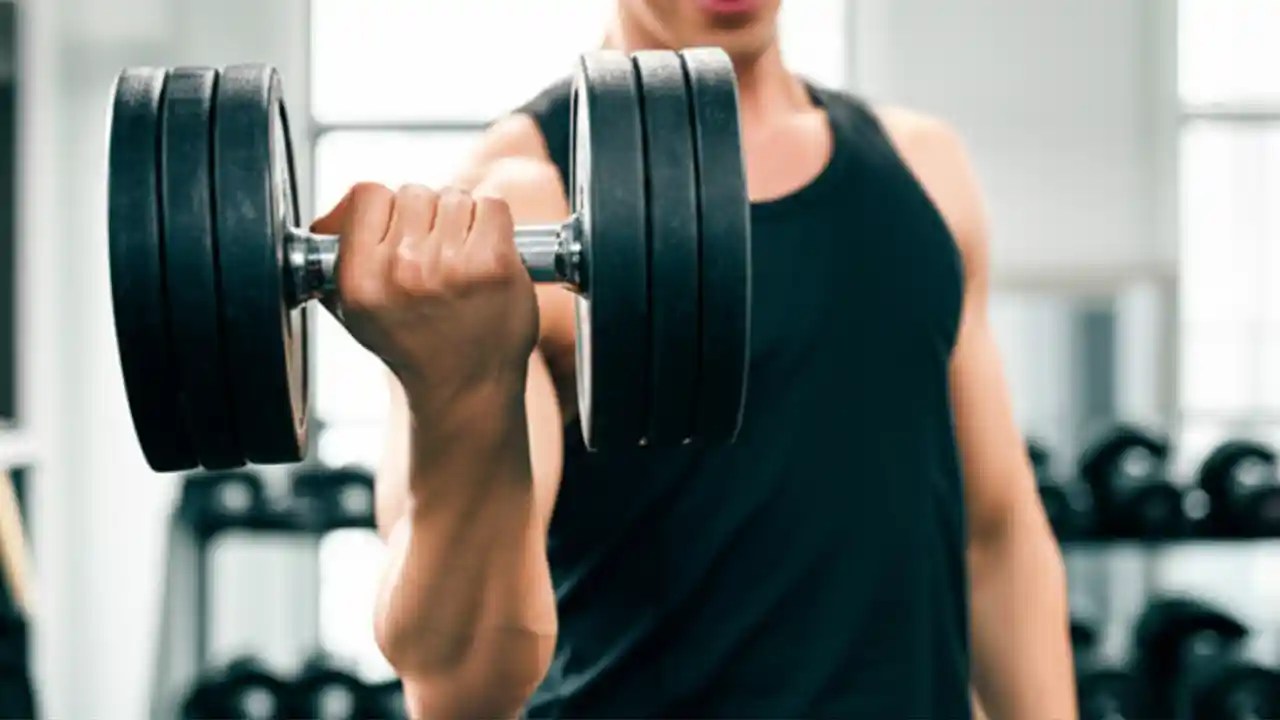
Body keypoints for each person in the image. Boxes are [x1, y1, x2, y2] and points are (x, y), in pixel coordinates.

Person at [310, 1, 1077, 717]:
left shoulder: (923, 169)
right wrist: (460, 393)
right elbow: (462, 680)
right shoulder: (515, 205)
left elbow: (998, 533)